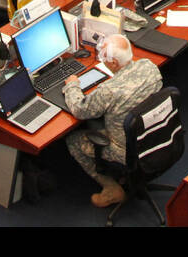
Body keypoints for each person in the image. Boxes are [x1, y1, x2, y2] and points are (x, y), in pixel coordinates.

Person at [62, 34, 163, 207]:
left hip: (126, 150)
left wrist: (72, 85)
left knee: (73, 140)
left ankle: (111, 188)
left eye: (103, 58)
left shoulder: (109, 90)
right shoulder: (149, 66)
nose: (102, 60)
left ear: (114, 63)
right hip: (155, 135)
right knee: (98, 122)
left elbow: (80, 109)